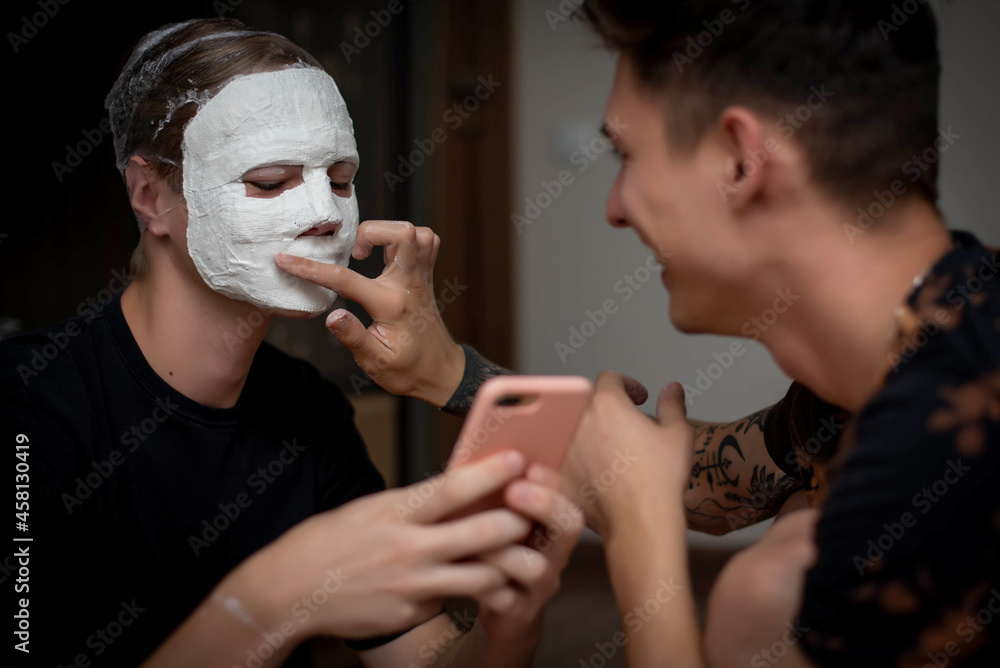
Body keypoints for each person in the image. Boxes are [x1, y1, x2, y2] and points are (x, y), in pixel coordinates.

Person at [276, 1, 999, 666]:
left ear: (741, 161)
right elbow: (715, 478)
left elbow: (664, 509)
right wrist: (451, 376)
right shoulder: (935, 325)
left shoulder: (934, 450)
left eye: (627, 155)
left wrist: (639, 536)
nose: (616, 209)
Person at [0, 18, 583, 667]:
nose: (326, 214)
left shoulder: (308, 412)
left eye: (338, 178)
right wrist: (277, 597)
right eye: (271, 181)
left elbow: (425, 657)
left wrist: (507, 622)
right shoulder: (28, 412)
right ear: (149, 194)